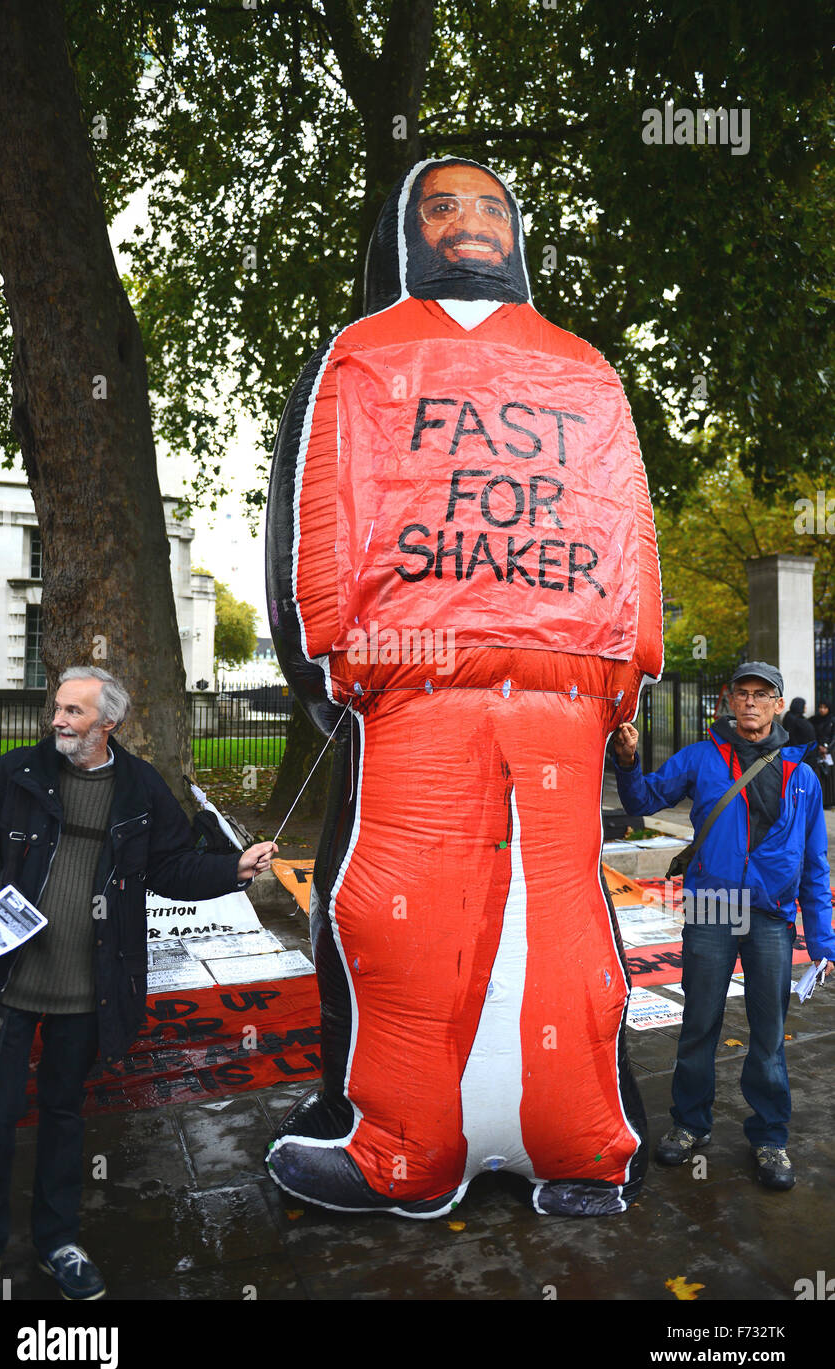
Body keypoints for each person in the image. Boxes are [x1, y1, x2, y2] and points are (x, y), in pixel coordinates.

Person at [264, 157, 663, 1218]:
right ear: (409, 228)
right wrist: (323, 661)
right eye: (445, 206)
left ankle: (581, 1144)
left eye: (490, 206)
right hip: (412, 692)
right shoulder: (359, 355)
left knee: (566, 918)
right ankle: (402, 1143)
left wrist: (627, 668)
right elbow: (316, 511)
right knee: (394, 916)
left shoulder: (580, 367)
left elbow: (625, 524)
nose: (471, 223)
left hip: (562, 694)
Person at [0, 666, 277, 1298]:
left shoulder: (139, 787)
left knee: (62, 1114)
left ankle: (60, 1243)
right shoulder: (15, 774)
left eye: (74, 713)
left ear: (108, 723)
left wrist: (233, 870)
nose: (58, 720)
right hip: (6, 981)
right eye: (57, 708)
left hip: (90, 985)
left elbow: (171, 867)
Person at [612, 661, 835, 1191]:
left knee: (767, 1033)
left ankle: (770, 1136)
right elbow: (642, 802)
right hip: (713, 904)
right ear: (729, 701)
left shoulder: (801, 776)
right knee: (700, 1022)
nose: (752, 703)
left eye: (763, 695)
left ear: (779, 704)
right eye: (743, 694)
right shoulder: (700, 758)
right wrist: (626, 761)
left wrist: (824, 941)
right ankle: (691, 1124)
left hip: (772, 915)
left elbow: (815, 865)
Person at [811, 697, 835, 808]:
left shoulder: (832, 720)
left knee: (829, 776)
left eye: (824, 707)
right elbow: (811, 734)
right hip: (817, 750)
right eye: (820, 707)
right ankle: (822, 801)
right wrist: (817, 746)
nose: (822, 709)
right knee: (820, 775)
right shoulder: (814, 720)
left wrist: (828, 748)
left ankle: (830, 801)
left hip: (829, 752)